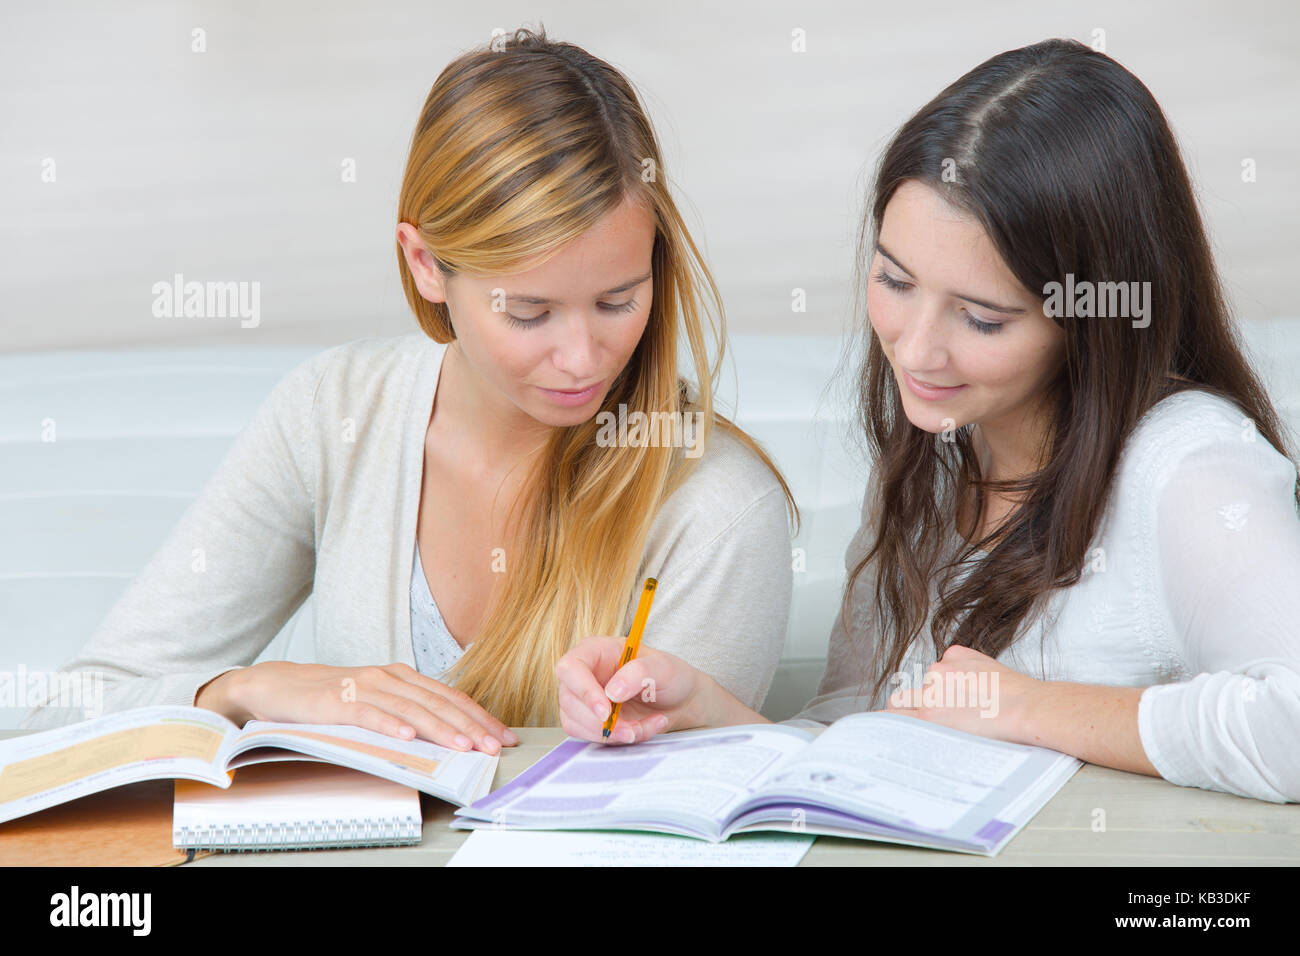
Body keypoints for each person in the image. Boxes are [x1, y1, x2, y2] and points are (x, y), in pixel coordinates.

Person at [555, 38, 1300, 804]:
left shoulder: (1191, 466)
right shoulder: (937, 457)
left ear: (1093, 315)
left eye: (981, 319)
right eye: (895, 280)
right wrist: (707, 713)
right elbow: (865, 737)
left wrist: (1027, 707)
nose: (915, 349)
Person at [21, 27, 798, 755]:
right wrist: (246, 691)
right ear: (426, 264)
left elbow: (678, 814)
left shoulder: (719, 511)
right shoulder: (332, 415)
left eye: (618, 300)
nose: (582, 357)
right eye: (529, 311)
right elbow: (66, 715)